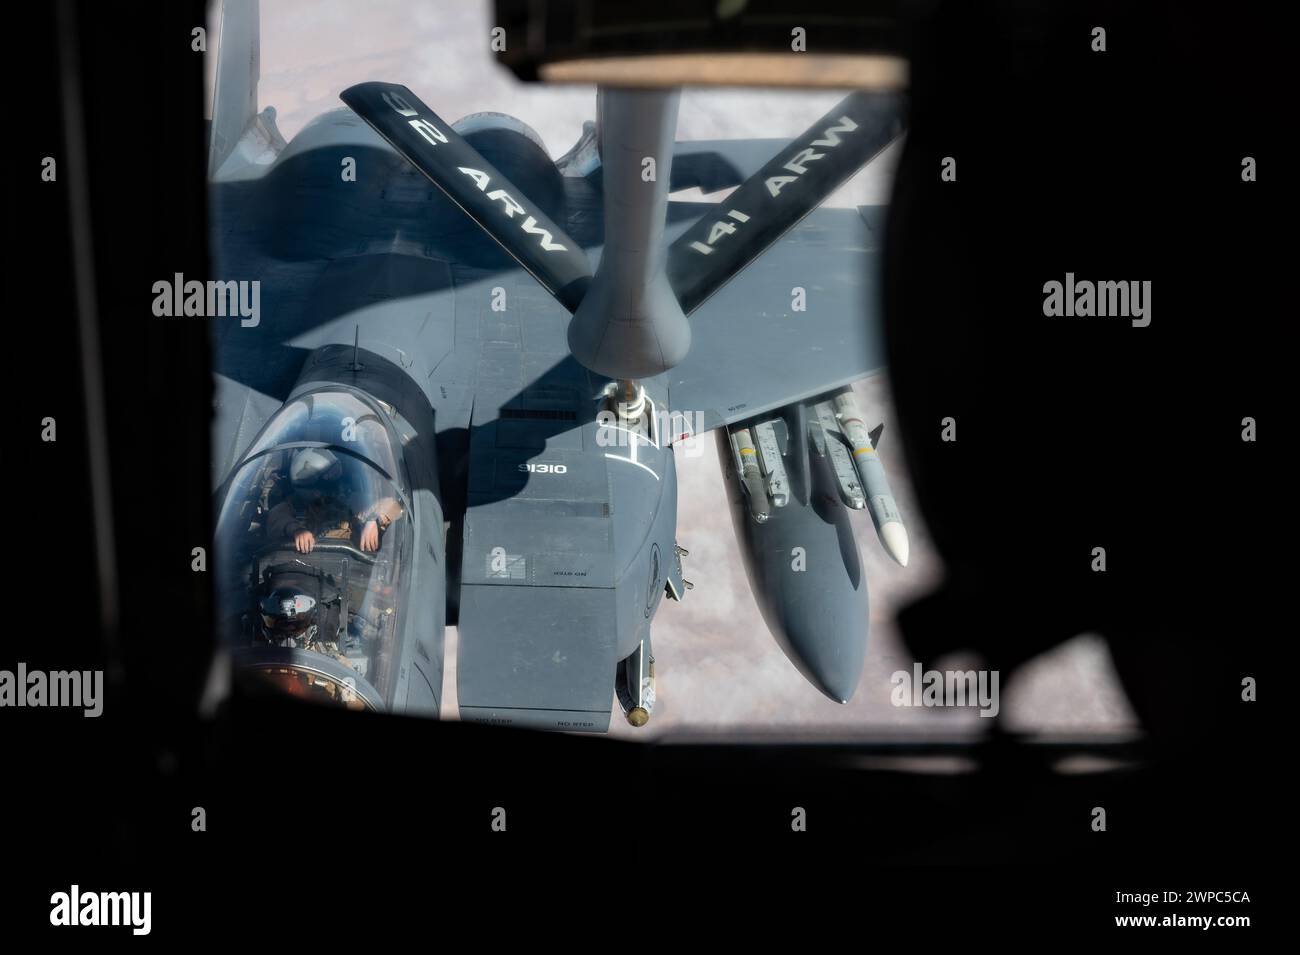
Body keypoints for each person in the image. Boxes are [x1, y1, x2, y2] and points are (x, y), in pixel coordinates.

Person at [266, 448, 401, 554]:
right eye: (326, 484)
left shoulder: (347, 500)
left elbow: (392, 505)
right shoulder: (290, 507)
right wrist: (296, 531)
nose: (333, 489)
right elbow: (276, 519)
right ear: (311, 487)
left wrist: (373, 519)